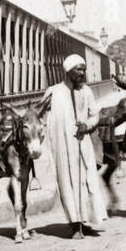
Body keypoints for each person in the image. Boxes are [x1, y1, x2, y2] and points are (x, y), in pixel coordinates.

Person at [44, 54, 107, 238]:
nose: (82, 73)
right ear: (68, 70)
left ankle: (85, 221)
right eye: (79, 69)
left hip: (82, 142)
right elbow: (39, 115)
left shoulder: (86, 91)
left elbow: (94, 114)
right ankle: (74, 224)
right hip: (62, 146)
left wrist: (87, 125)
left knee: (86, 180)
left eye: (84, 69)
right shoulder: (53, 92)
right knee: (67, 181)